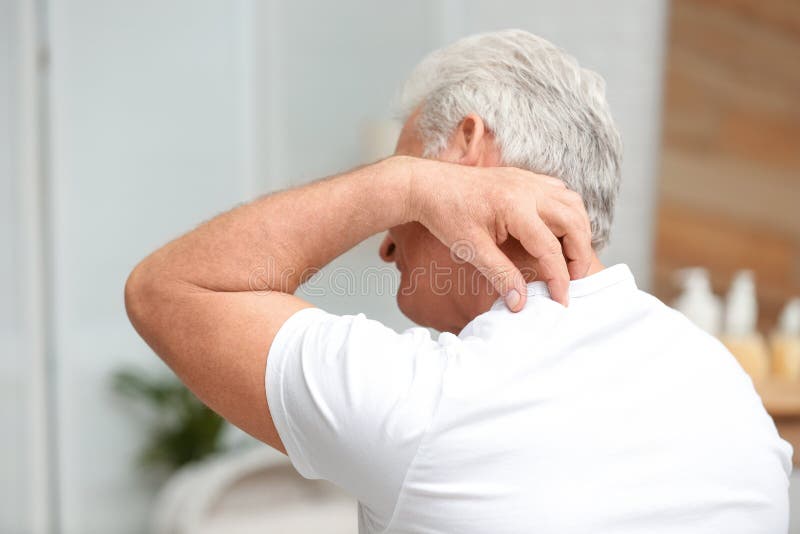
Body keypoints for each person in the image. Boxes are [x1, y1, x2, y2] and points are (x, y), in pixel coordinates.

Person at [125, 30, 791, 533]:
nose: (386, 240)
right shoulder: (728, 391)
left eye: (411, 171)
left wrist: (403, 184)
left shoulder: (429, 403)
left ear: (468, 150)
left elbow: (165, 288)